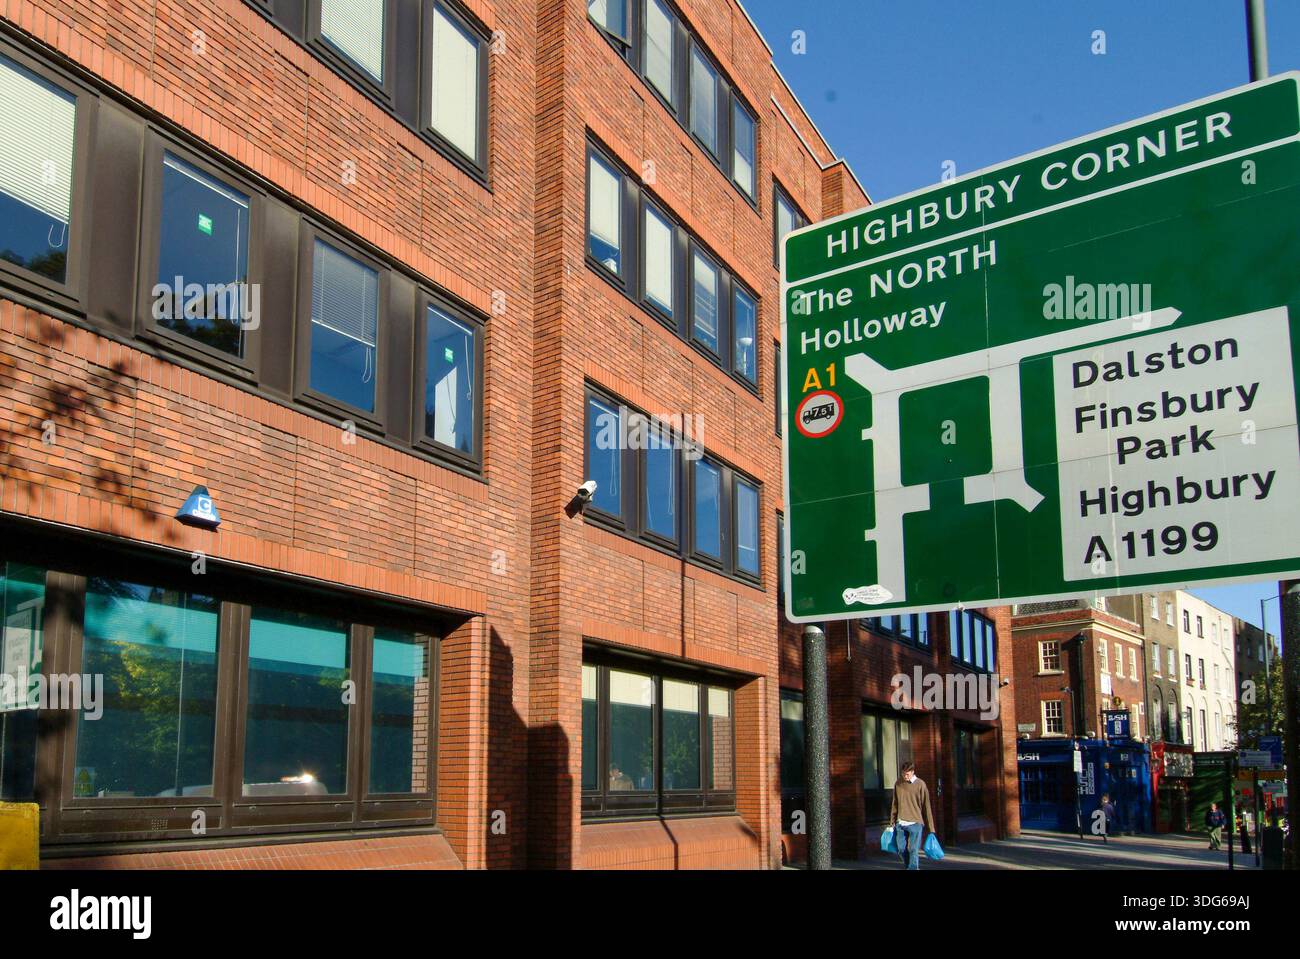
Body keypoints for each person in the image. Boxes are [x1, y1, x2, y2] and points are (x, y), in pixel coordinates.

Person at [889, 762, 937, 870]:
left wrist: (931, 828)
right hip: (900, 822)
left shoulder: (921, 784)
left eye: (907, 774)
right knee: (901, 849)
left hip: (916, 823)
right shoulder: (898, 784)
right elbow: (895, 803)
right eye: (903, 774)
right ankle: (909, 867)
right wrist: (892, 821)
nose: (905, 776)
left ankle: (913, 868)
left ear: (913, 772)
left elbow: (926, 807)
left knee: (913, 850)